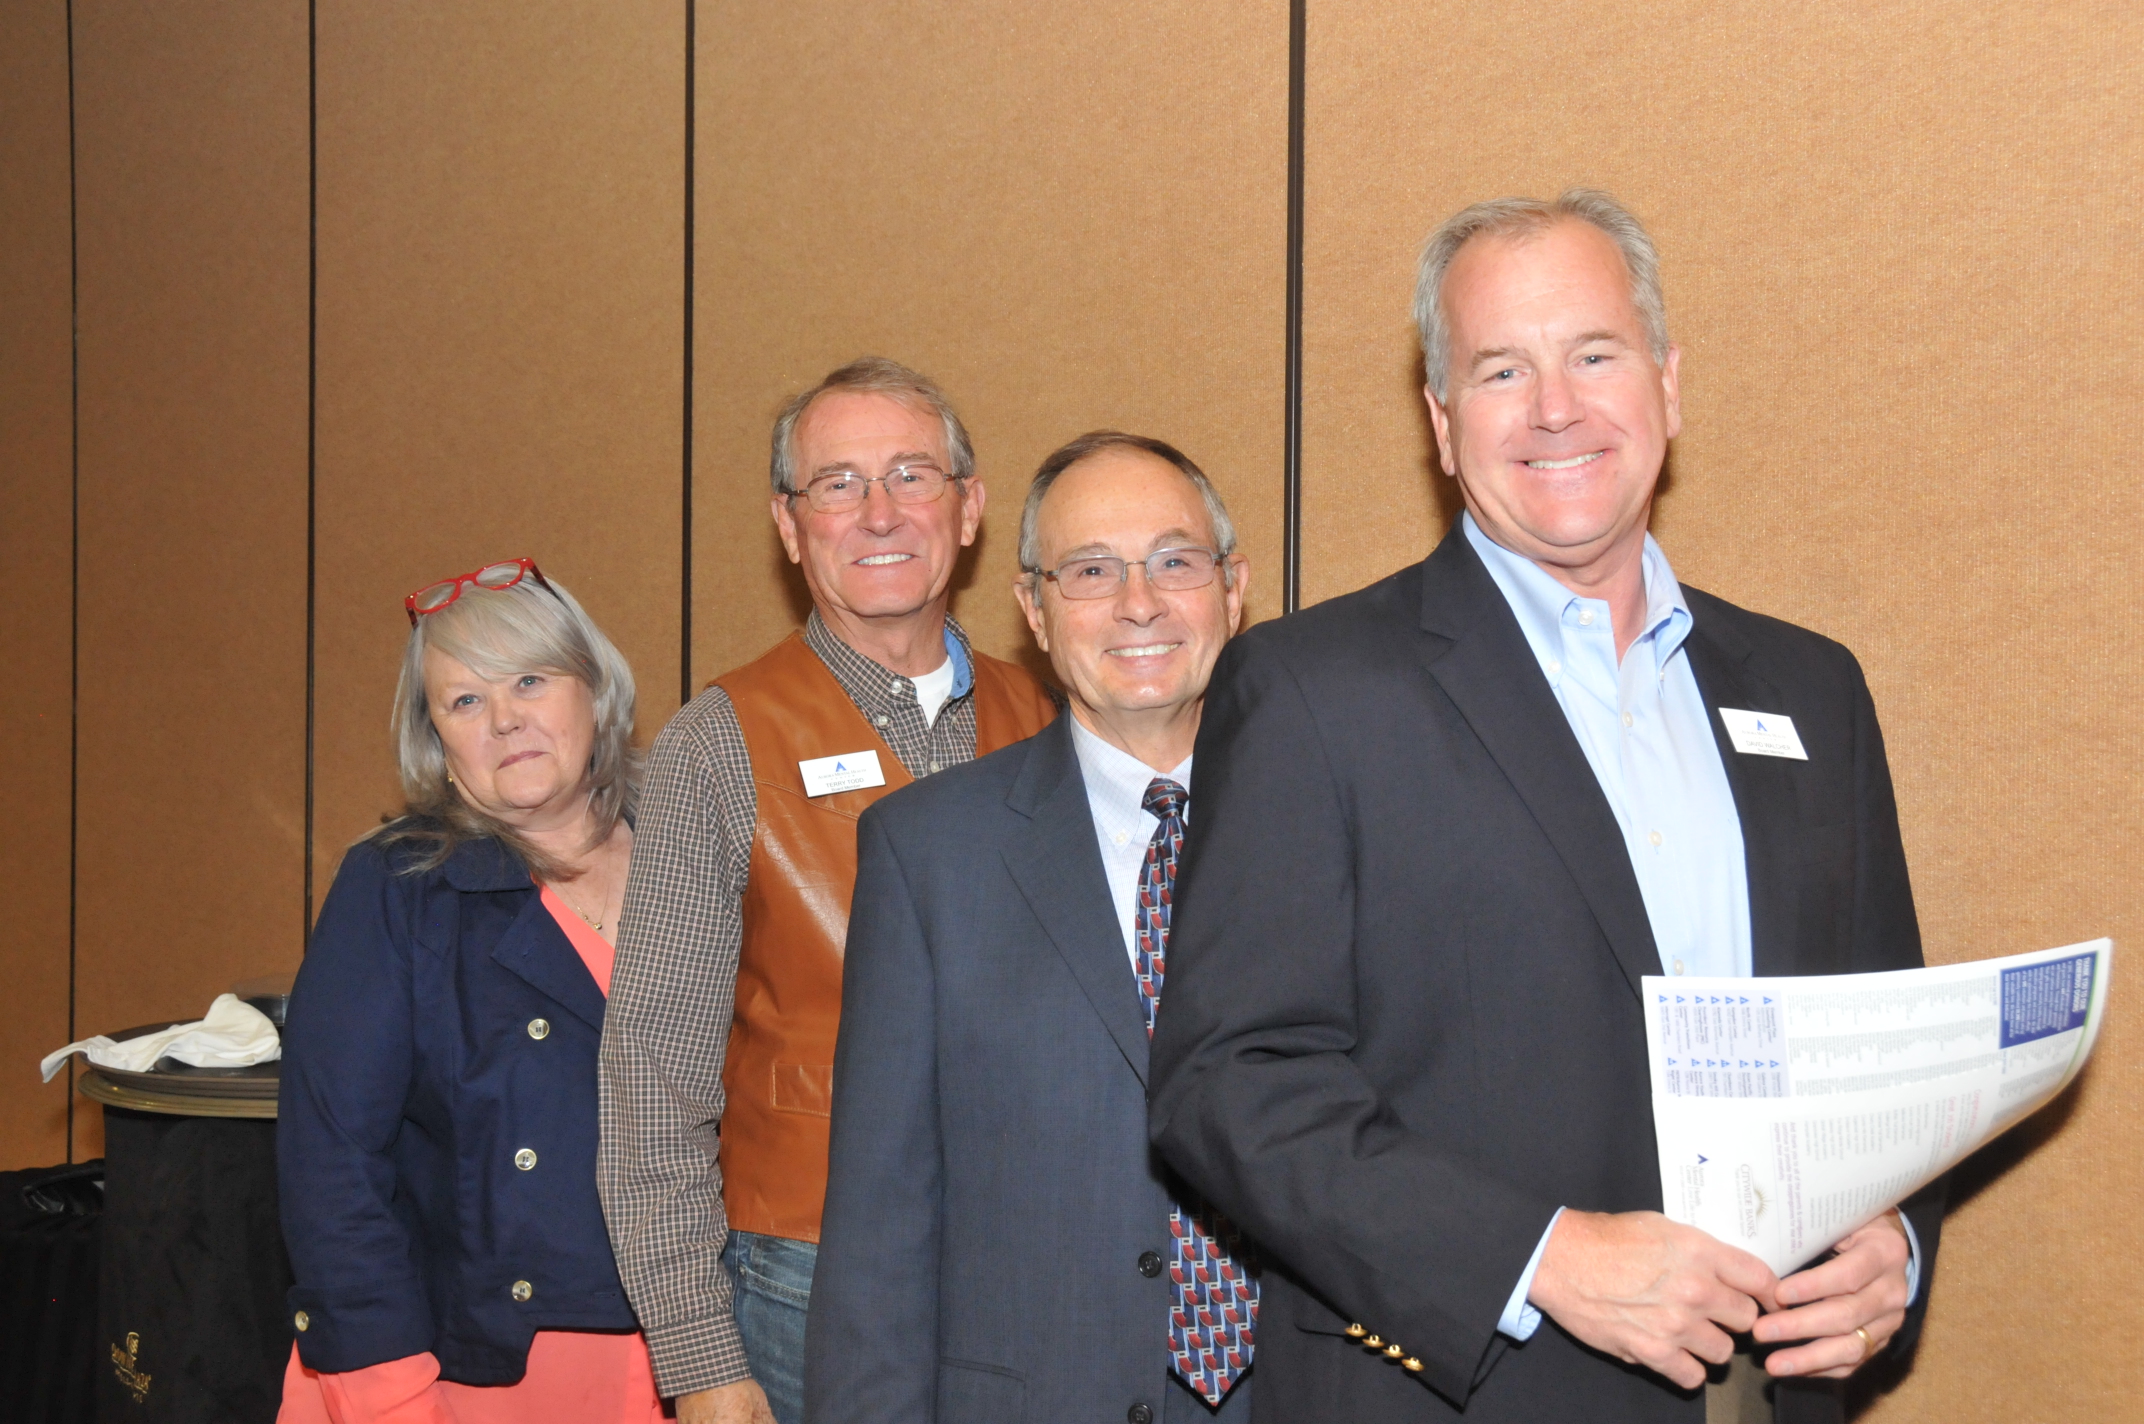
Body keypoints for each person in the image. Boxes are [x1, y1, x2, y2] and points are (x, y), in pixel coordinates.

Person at [1146, 191, 1945, 1424]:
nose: (1554, 406)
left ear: (1667, 385)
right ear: (1441, 422)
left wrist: (1892, 1238)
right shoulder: (1313, 690)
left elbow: (1882, 1049)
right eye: (1500, 368)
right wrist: (1539, 1255)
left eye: (1592, 353)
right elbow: (1229, 1081)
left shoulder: (1811, 689)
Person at [597, 359, 1059, 1424]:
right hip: (807, 1282)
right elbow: (650, 1075)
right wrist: (699, 1355)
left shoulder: (1044, 716)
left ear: (970, 505)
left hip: (1030, 1265)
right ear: (788, 524)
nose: (880, 512)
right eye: (838, 484)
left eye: (911, 473)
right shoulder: (716, 744)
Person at [804, 433, 1255, 1424]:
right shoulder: (927, 855)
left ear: (1232, 589)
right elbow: (878, 1231)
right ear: (1032, 608)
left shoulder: (1325, 825)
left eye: (1174, 561)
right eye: (1090, 570)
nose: (1137, 602)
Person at [278, 558, 660, 1423]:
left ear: (594, 695)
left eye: (530, 679)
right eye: (464, 702)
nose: (505, 720)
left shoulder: (692, 855)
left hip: (695, 1344)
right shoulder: (400, 887)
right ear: (438, 746)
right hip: (478, 1374)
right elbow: (331, 1166)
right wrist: (387, 1396)